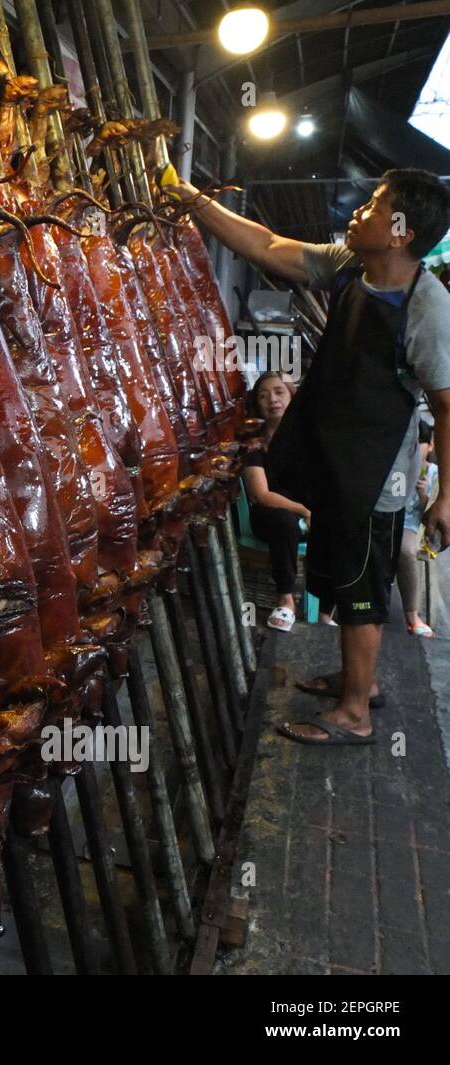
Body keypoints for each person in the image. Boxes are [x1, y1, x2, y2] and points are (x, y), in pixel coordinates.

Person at [172, 169, 450, 746]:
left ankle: (355, 714)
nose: (358, 211)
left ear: (400, 230)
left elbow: (449, 405)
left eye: (373, 205)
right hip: (336, 462)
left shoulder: (426, 305)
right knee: (340, 576)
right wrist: (193, 199)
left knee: (363, 587)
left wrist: (448, 495)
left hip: (375, 476)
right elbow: (270, 247)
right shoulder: (353, 265)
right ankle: (359, 683)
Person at [243, 371, 309, 631]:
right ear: (257, 404)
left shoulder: (307, 437)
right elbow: (261, 494)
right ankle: (286, 599)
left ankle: (329, 609)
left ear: (292, 396)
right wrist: (303, 510)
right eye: (263, 395)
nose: (272, 399)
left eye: (279, 392)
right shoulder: (253, 443)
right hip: (269, 515)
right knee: (283, 521)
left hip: (306, 514)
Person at [397, 419, 437, 637]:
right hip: (395, 519)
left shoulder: (435, 474)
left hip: (416, 525)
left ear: (430, 445)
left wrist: (423, 496)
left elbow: (431, 517)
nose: (415, 447)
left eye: (420, 441)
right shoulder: (399, 469)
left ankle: (412, 615)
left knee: (405, 551)